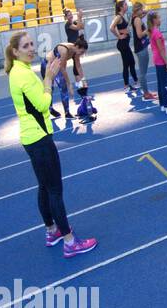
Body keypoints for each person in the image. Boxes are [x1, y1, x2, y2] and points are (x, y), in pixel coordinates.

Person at [5, 31, 98, 259]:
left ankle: (51, 231)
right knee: (55, 190)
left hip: (31, 137)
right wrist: (48, 80)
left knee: (44, 187)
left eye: (32, 44)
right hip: (39, 139)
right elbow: (43, 105)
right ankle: (69, 241)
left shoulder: (19, 71)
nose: (31, 49)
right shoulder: (23, 75)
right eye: (26, 46)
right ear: (15, 51)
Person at [113, 0, 139, 94]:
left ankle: (133, 82)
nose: (127, 6)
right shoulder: (118, 17)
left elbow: (123, 27)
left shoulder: (122, 16)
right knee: (128, 63)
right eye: (125, 5)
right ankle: (128, 85)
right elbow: (112, 27)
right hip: (122, 44)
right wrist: (119, 35)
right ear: (121, 7)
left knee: (130, 63)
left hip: (125, 43)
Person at [131, 0, 154, 102]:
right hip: (141, 48)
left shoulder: (135, 17)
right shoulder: (137, 20)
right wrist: (148, 30)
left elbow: (142, 14)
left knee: (142, 71)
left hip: (140, 47)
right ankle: (146, 93)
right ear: (138, 10)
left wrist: (145, 12)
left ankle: (146, 91)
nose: (143, 11)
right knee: (143, 72)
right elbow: (140, 35)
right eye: (142, 9)